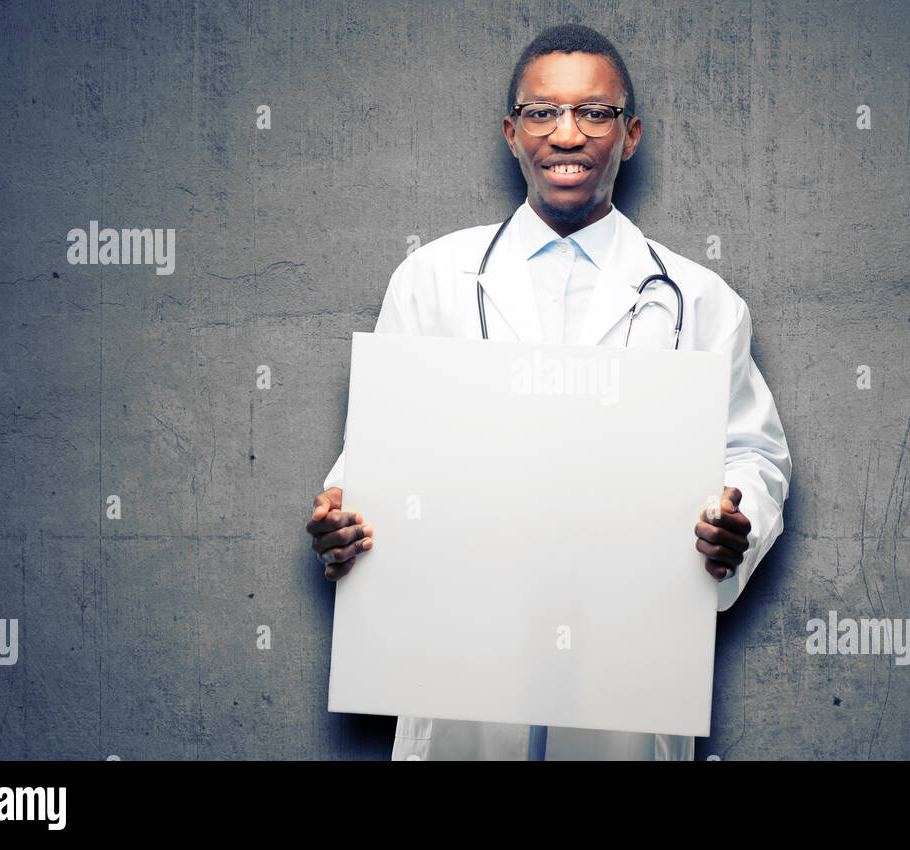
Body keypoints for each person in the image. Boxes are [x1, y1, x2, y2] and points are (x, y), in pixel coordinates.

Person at [306, 23, 792, 760]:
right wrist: (345, 514)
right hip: (460, 656)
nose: (567, 134)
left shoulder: (702, 300)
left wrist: (737, 523)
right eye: (543, 112)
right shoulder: (432, 279)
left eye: (594, 113)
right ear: (512, 132)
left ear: (629, 135)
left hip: (627, 659)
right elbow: (381, 443)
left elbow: (753, 455)